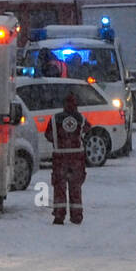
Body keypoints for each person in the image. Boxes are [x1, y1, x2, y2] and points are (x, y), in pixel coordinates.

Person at [48, 91, 87, 224]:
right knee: (75, 187)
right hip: (77, 158)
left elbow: (48, 135)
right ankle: (76, 216)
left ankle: (59, 215)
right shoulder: (81, 118)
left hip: (60, 158)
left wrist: (59, 141)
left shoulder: (55, 119)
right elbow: (87, 129)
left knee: (59, 187)